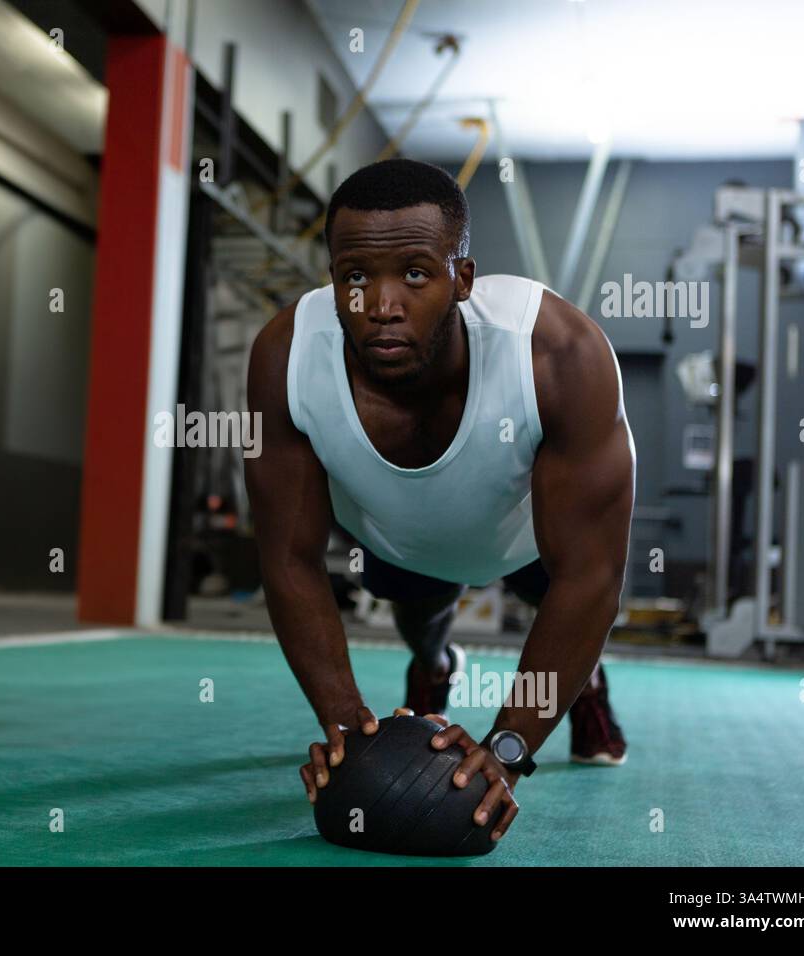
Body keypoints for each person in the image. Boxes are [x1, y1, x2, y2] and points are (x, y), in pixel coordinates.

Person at [244, 158, 634, 844]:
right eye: (355, 277)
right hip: (401, 540)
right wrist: (346, 736)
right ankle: (435, 668)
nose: (382, 306)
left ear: (463, 277)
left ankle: (587, 688)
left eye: (416, 274)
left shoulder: (558, 355)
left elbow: (591, 576)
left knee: (567, 608)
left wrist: (509, 748)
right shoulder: (287, 358)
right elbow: (289, 558)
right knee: (423, 631)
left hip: (528, 534)